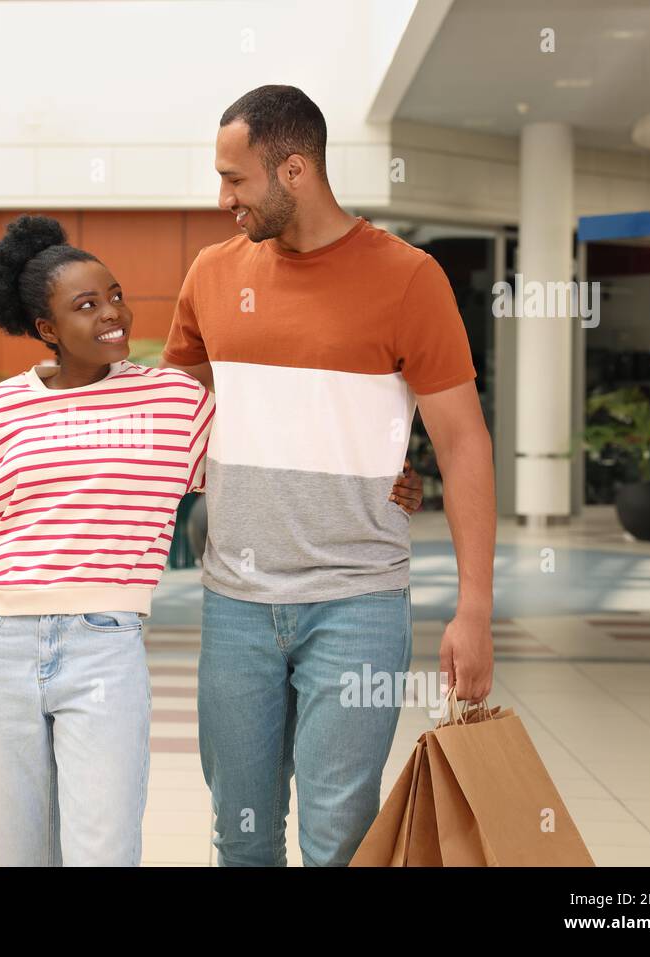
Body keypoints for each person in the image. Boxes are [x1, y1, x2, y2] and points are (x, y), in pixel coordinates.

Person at [0, 215, 424, 866]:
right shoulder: (0, 409)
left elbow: (262, 458)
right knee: (23, 852)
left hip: (104, 646)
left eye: (116, 295)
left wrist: (384, 476)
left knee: (103, 849)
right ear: (46, 329)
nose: (114, 314)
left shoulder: (174, 403)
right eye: (87, 305)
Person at [160, 85, 496, 867]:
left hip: (358, 602)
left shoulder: (410, 278)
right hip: (235, 601)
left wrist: (473, 608)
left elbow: (464, 441)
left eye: (236, 179)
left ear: (295, 171)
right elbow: (181, 413)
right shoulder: (211, 275)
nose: (223, 199)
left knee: (340, 839)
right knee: (240, 835)